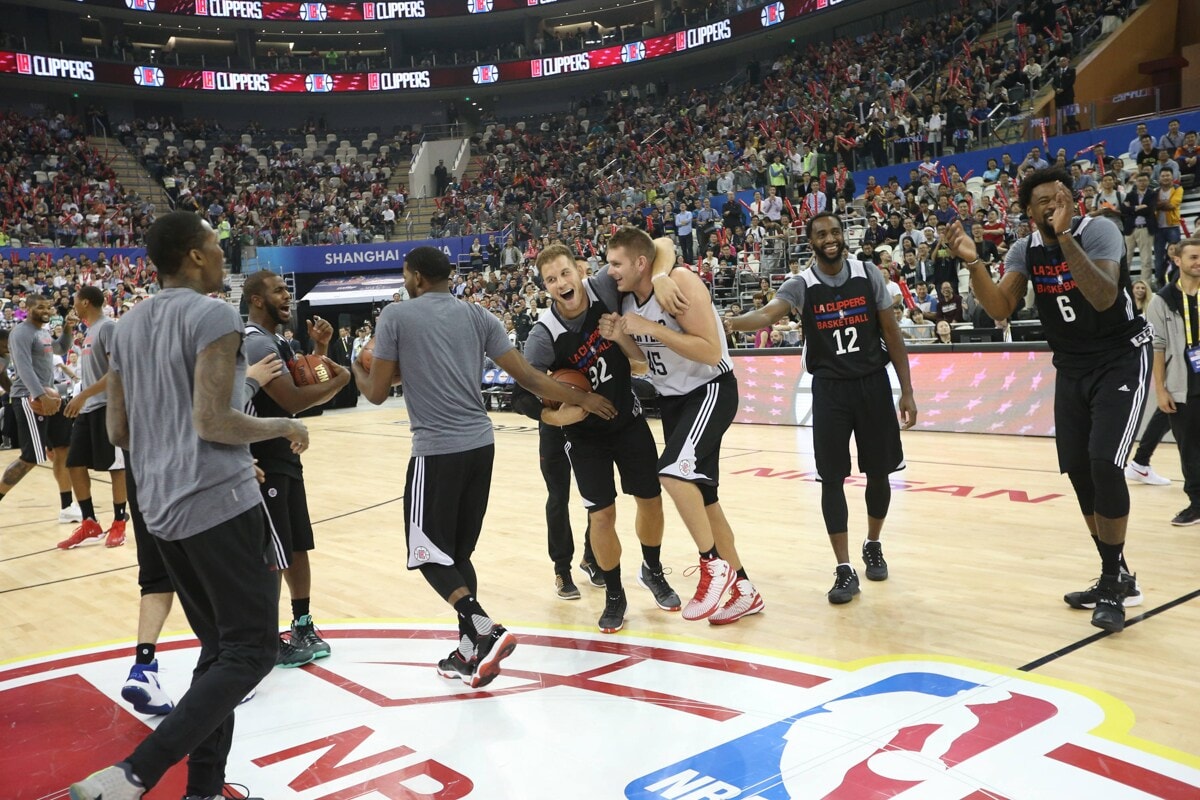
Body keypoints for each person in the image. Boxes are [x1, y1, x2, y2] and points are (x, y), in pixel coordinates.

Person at [70, 211, 309, 799]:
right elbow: (213, 419)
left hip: (159, 510)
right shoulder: (213, 314)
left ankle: (202, 789)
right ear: (195, 255)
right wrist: (283, 426)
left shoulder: (123, 330)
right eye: (216, 245)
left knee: (219, 653)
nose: (224, 255)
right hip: (218, 503)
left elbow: (120, 429)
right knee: (252, 652)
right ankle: (134, 773)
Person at [352, 246, 616, 688]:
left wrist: (353, 368)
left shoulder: (396, 316)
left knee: (426, 553)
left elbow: (377, 392)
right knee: (458, 556)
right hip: (481, 445)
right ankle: (469, 652)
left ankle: (483, 627)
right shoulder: (479, 316)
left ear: (415, 277)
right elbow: (530, 378)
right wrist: (583, 397)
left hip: (436, 449)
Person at [946, 167, 1150, 633]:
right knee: (1079, 470)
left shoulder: (1097, 230)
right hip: (1072, 366)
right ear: (1027, 210)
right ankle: (1114, 573)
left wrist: (1065, 239)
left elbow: (1102, 297)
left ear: (1070, 199)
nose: (1048, 205)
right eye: (1038, 200)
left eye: (1055, 197)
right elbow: (999, 309)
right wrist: (974, 262)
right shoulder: (1025, 249)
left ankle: (1114, 583)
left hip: (1120, 357)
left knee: (1104, 463)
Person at [726, 212, 916, 603]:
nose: (829, 239)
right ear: (810, 241)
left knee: (879, 474)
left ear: (842, 236)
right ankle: (844, 568)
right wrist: (733, 323)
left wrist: (907, 390)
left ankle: (873, 543)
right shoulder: (802, 284)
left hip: (873, 385)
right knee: (832, 479)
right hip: (829, 390)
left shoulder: (867, 273)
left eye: (834, 232)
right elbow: (766, 315)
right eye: (821, 234)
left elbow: (892, 333)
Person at [513, 246, 681, 632]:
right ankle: (614, 594)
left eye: (565, 274)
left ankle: (652, 570)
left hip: (627, 418)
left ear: (580, 272)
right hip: (584, 434)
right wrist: (556, 414)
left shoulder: (604, 288)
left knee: (650, 501)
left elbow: (658, 248)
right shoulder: (544, 335)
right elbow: (520, 394)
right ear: (546, 287)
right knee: (601, 514)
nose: (561, 284)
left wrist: (658, 278)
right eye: (551, 280)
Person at [602, 227, 764, 624]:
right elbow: (643, 362)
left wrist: (654, 325)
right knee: (705, 500)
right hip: (674, 400)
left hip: (709, 389)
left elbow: (710, 352)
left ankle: (714, 567)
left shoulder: (678, 282)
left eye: (616, 264)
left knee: (671, 474)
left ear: (641, 264)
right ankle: (744, 588)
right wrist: (623, 338)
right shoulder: (625, 299)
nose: (609, 272)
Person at [242, 270, 352, 668]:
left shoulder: (279, 342)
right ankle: (264, 639)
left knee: (296, 545)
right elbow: (291, 399)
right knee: (271, 552)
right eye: (277, 291)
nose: (286, 296)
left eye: (287, 290)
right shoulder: (256, 344)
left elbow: (306, 376)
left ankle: (302, 623)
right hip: (262, 458)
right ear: (256, 299)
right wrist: (341, 382)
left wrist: (320, 349)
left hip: (284, 456)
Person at [58, 286, 129, 550]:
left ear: (85, 302)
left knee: (116, 467)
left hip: (109, 407)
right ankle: (90, 522)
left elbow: (117, 372)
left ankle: (120, 521)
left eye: (75, 301)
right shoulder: (88, 332)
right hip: (89, 408)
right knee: (74, 463)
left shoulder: (107, 328)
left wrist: (82, 395)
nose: (73, 305)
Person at [0, 295, 80, 523]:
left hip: (49, 397)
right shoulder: (21, 332)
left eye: (48, 307)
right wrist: (40, 394)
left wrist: (67, 328)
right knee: (30, 457)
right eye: (41, 307)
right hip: (29, 397)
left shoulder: (43, 332)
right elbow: (24, 368)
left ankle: (67, 507)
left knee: (64, 449)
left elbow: (61, 347)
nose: (46, 310)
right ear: (29, 308)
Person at [1145, 239, 1200, 525]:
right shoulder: (1162, 300)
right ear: (1178, 260)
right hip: (1183, 386)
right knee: (1189, 449)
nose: (1198, 262)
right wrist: (1161, 388)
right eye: (1193, 257)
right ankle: (1197, 503)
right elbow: (1157, 346)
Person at [1125, 279, 1173, 485]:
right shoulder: (1164, 298)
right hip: (1181, 364)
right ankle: (1140, 462)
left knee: (1172, 414)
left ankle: (1140, 462)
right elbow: (1154, 341)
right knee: (1169, 411)